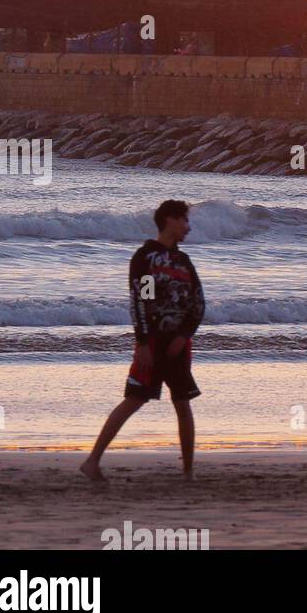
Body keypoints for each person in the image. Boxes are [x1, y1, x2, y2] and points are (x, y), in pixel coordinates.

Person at [79, 199, 205, 482]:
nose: (188, 227)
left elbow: (198, 303)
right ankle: (92, 460)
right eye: (184, 220)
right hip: (153, 343)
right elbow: (140, 302)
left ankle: (188, 471)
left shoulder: (184, 262)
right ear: (170, 220)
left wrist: (184, 336)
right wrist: (144, 343)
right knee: (134, 400)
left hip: (178, 345)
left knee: (183, 404)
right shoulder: (145, 258)